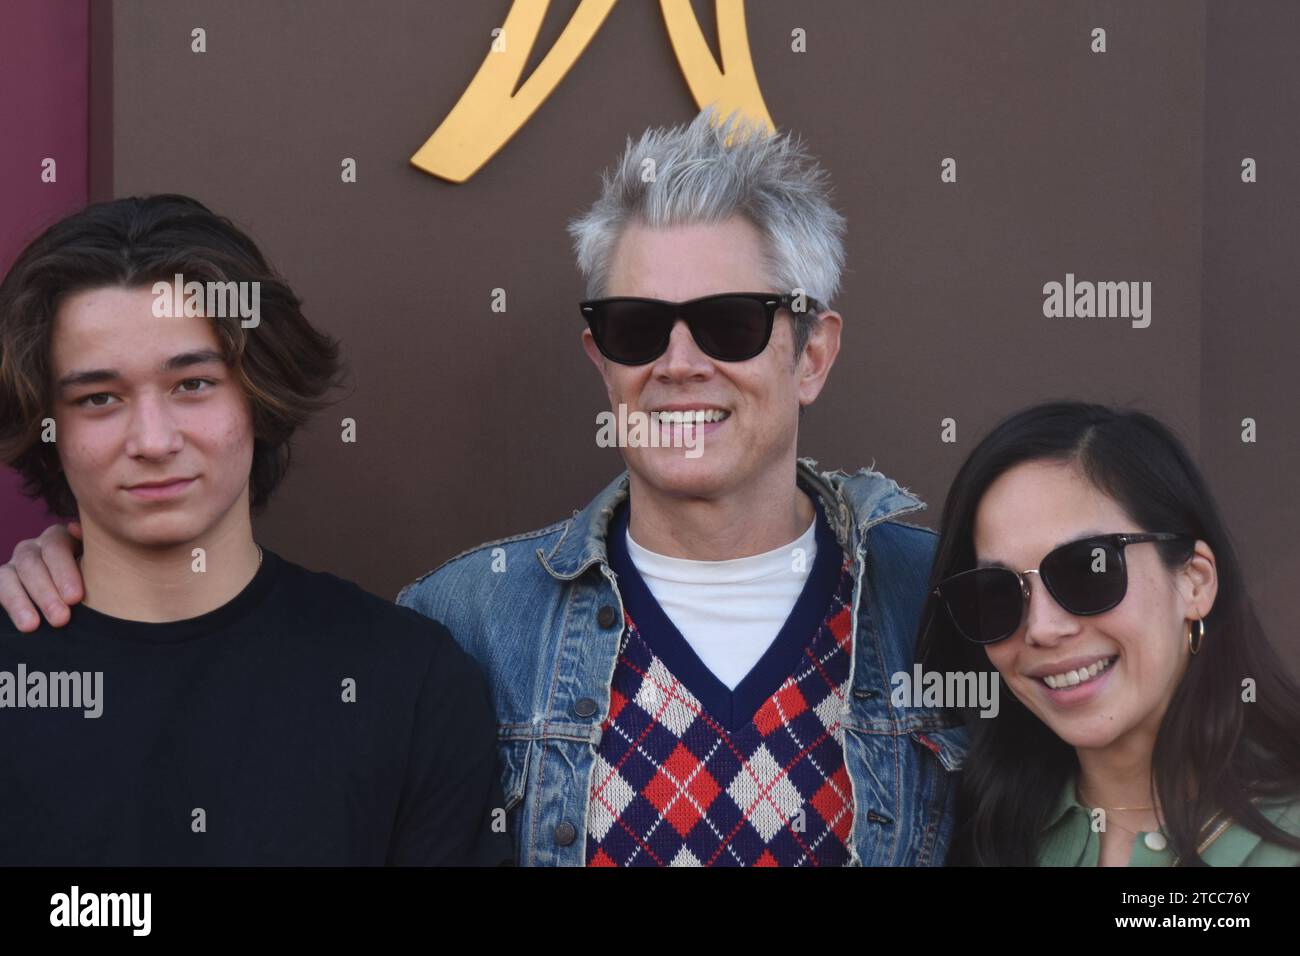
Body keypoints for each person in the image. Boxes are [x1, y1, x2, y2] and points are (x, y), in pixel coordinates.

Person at [2, 110, 967, 866]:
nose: (680, 363)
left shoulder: (950, 609)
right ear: (600, 359)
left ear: (814, 355)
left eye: (729, 323)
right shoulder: (471, 621)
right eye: (637, 326)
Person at [0, 195, 511, 865]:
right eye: (100, 398)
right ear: (48, 421)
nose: (153, 440)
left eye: (193, 384)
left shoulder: (408, 682)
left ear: (259, 392)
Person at [918, 401, 1300, 866]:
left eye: (1087, 570)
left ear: (1194, 581)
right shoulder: (959, 838)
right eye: (998, 595)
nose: (1043, 628)